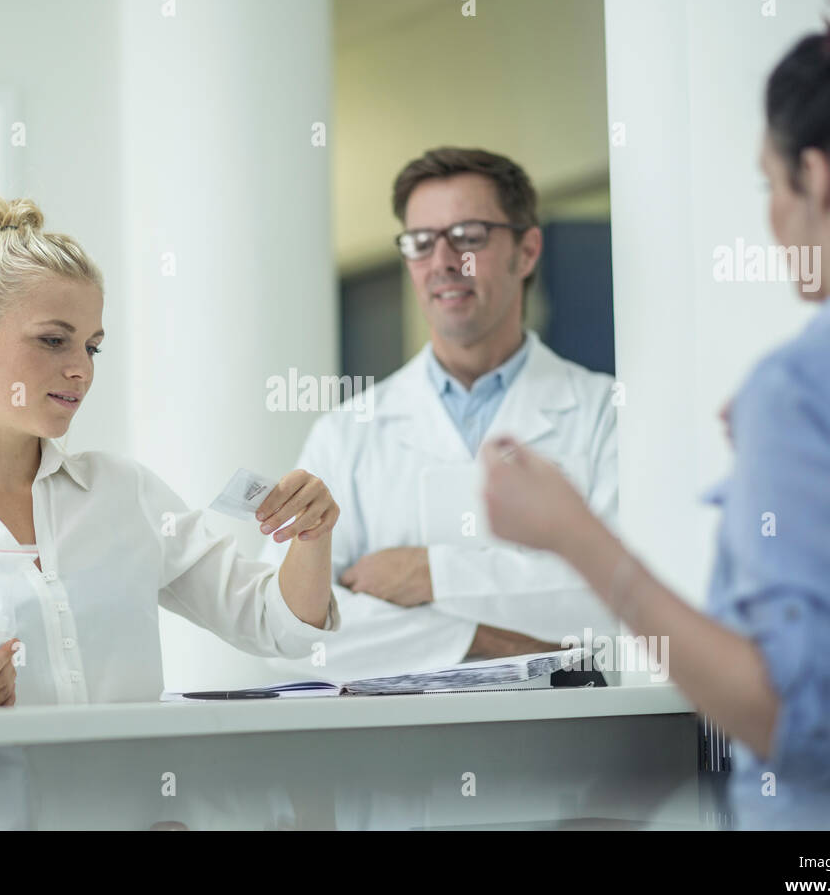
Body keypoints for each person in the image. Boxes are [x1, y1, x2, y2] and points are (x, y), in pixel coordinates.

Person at [482, 0, 830, 829]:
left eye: (769, 185)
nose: (773, 220)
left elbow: (796, 720)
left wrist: (576, 537)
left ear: (815, 181)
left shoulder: (804, 388)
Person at [0, 193, 341, 714]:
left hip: (133, 804)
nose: (81, 370)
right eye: (52, 341)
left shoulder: (126, 495)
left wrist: (312, 538)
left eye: (92, 346)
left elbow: (281, 627)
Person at [259, 147, 618, 683]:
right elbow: (284, 625)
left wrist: (431, 575)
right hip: (404, 754)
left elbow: (623, 596)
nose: (444, 261)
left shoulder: (604, 413)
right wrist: (483, 639)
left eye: (469, 236)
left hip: (573, 748)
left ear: (526, 251)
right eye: (421, 242)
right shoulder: (345, 432)